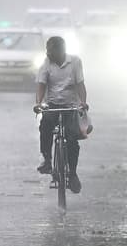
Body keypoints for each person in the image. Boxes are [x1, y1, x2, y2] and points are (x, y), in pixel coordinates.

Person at [33, 36, 88, 193]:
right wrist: (39, 103)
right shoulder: (46, 63)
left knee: (72, 140)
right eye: (47, 51)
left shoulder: (75, 62)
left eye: (51, 51)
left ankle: (72, 174)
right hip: (53, 106)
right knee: (45, 127)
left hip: (71, 106)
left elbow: (80, 85)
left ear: (61, 50)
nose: (48, 54)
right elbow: (41, 85)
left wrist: (83, 102)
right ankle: (48, 160)